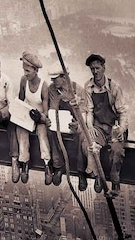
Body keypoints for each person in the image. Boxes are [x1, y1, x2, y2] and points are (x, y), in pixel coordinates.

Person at [47, 68, 98, 191]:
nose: (53, 81)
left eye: (55, 79)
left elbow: (83, 114)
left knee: (81, 134)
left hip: (76, 122)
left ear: (64, 77)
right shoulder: (52, 89)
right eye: (52, 79)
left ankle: (81, 172)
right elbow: (53, 110)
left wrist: (77, 124)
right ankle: (58, 166)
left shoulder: (78, 89)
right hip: (60, 121)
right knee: (52, 131)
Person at [84, 53, 128, 195]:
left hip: (114, 127)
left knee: (116, 151)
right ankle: (97, 176)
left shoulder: (114, 87)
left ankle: (115, 180)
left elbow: (122, 112)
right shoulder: (88, 87)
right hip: (99, 127)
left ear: (103, 68)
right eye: (92, 69)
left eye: (97, 68)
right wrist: (90, 127)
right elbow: (89, 111)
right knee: (92, 146)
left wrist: (121, 129)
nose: (95, 72)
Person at [15, 51, 52, 185]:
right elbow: (20, 100)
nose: (25, 73)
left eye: (28, 71)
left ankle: (47, 164)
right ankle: (24, 162)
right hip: (27, 116)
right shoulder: (23, 81)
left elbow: (46, 111)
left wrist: (40, 117)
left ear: (36, 71)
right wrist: (19, 113)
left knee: (42, 133)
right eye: (24, 70)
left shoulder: (44, 86)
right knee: (21, 131)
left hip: (39, 117)